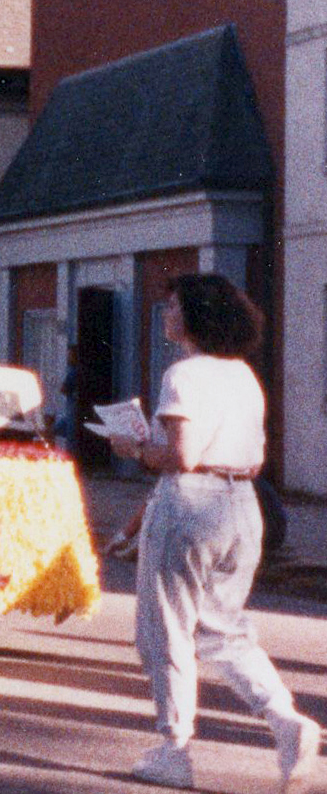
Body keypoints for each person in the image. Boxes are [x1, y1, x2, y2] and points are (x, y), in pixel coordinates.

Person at [109, 274, 319, 791]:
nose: (166, 314)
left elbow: (181, 457)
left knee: (165, 630)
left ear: (196, 316)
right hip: (243, 504)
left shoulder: (183, 374)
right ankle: (284, 719)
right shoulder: (244, 376)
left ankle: (174, 749)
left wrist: (131, 448)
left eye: (173, 306)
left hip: (190, 505)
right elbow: (252, 452)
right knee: (224, 628)